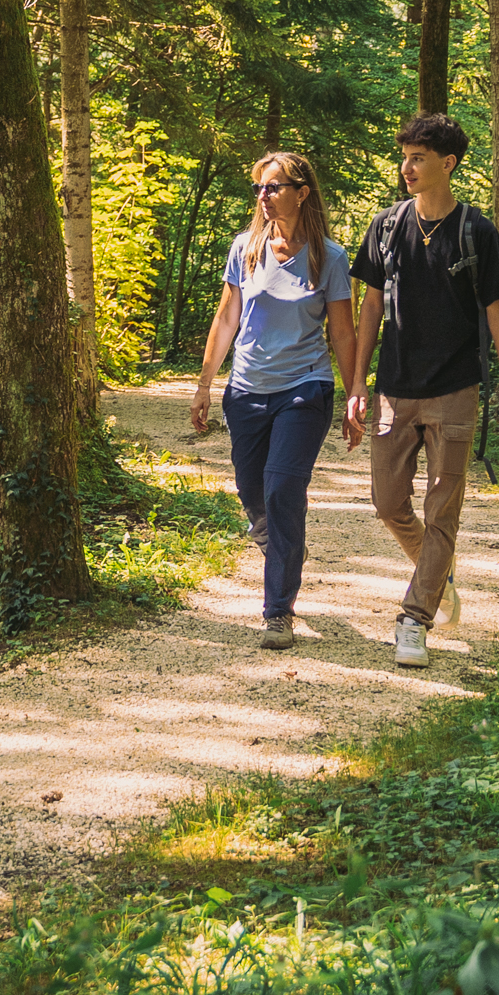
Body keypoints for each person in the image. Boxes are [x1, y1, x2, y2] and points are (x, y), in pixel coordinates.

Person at [342, 113, 499, 669]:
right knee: (387, 502)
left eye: (418, 158)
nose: (407, 167)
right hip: (395, 389)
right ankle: (438, 573)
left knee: (443, 509)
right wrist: (356, 383)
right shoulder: (386, 226)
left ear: (447, 164)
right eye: (405, 156)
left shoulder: (478, 232)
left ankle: (414, 618)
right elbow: (369, 305)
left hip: (455, 390)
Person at [189, 151, 359, 649]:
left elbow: (344, 335)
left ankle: (277, 611)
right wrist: (205, 384)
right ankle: (282, 546)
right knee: (253, 493)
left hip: (305, 387)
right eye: (260, 188)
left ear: (301, 193)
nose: (263, 196)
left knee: (284, 488)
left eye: (274, 187)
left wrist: (354, 395)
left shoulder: (330, 257)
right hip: (246, 391)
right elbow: (226, 320)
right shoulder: (245, 248)